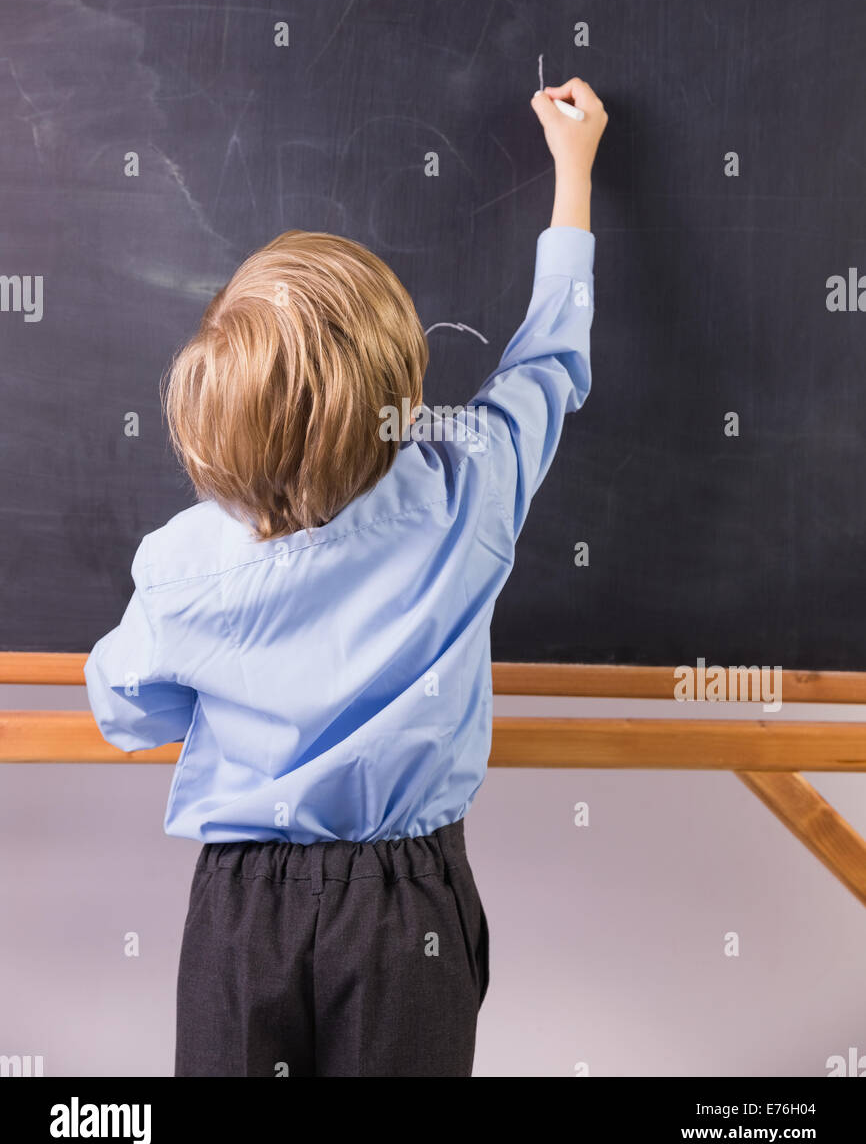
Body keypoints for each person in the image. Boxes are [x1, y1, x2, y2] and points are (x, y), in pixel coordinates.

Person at [84, 77, 608, 1077]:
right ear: (399, 392)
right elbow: (549, 359)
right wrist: (571, 172)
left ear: (210, 424)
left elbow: (125, 711)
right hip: (404, 902)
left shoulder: (182, 565)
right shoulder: (467, 496)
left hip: (244, 908)